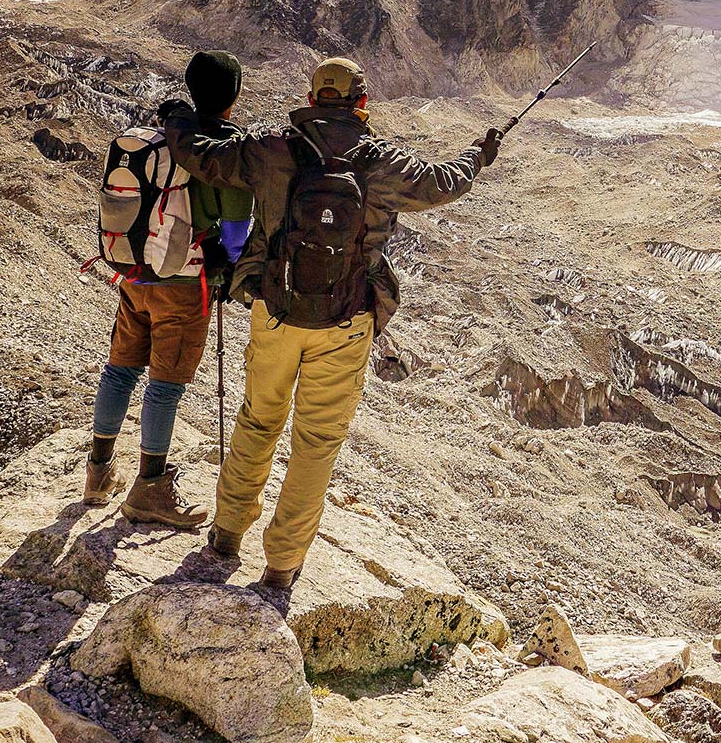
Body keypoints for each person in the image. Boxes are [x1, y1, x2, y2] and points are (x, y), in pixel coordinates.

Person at [158, 56, 501, 589]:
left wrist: (178, 119)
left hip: (276, 311)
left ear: (313, 97)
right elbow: (443, 184)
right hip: (345, 323)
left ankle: (227, 533)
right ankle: (281, 566)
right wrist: (477, 155)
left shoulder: (272, 150)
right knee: (316, 442)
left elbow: (200, 155)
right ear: (361, 102)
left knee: (257, 420)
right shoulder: (381, 163)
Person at [84, 50, 255, 526]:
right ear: (233, 97)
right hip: (183, 285)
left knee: (120, 371)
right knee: (165, 383)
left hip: (135, 276)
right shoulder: (219, 152)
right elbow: (238, 234)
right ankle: (151, 490)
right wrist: (228, 257)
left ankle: (97, 475)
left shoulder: (162, 136)